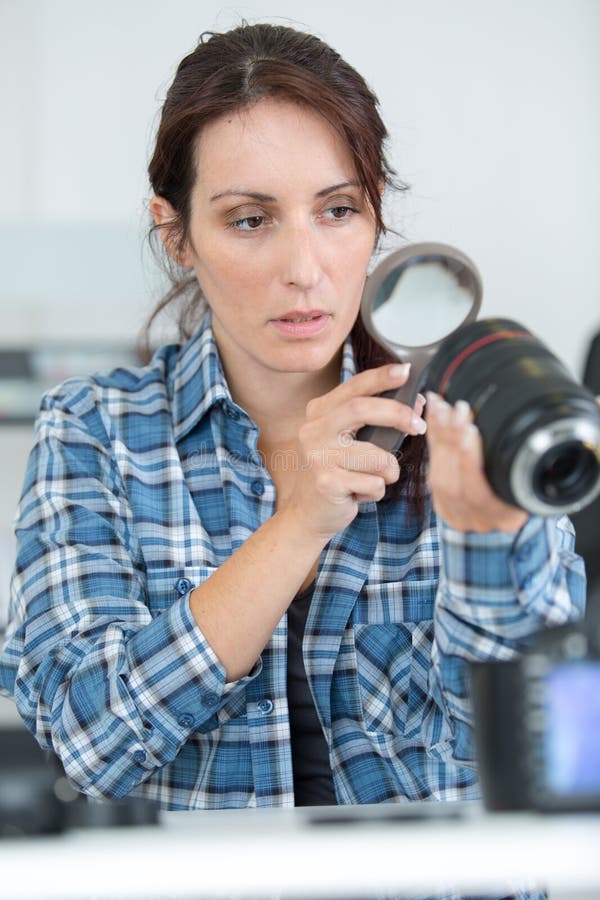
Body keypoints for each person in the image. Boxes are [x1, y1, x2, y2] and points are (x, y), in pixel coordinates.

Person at [0, 21, 585, 899]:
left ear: (376, 211)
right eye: (249, 220)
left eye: (338, 210)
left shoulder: (469, 425)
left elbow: (539, 774)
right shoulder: (95, 432)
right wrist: (297, 523)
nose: (304, 268)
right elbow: (93, 746)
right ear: (178, 236)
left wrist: (489, 546)